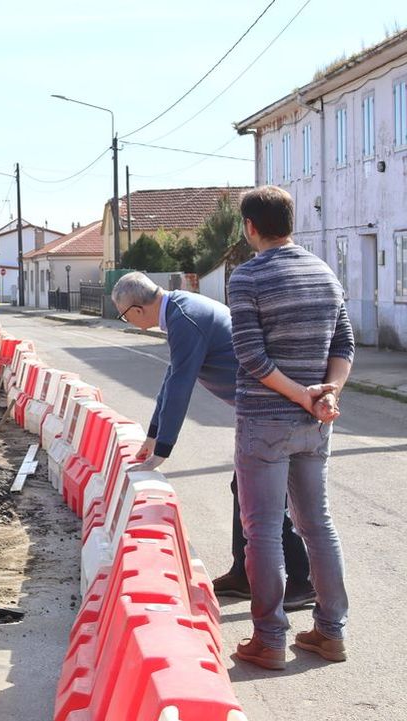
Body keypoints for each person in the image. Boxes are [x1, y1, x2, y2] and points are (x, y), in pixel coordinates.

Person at [111, 272, 315, 611]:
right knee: (245, 488)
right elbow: (172, 377)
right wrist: (152, 434)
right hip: (258, 407)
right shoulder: (178, 309)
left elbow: (180, 385)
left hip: (269, 408)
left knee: (263, 494)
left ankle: (302, 581)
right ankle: (244, 573)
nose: (127, 321)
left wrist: (163, 450)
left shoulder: (184, 317)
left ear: (135, 309)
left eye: (123, 315)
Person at [228, 185, 352, 671]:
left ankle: (269, 639)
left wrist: (301, 393)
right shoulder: (324, 272)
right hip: (316, 422)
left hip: (265, 420)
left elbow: (251, 356)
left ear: (250, 227)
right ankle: (330, 632)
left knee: (261, 529)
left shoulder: (247, 276)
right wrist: (328, 392)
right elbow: (344, 343)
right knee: (317, 525)